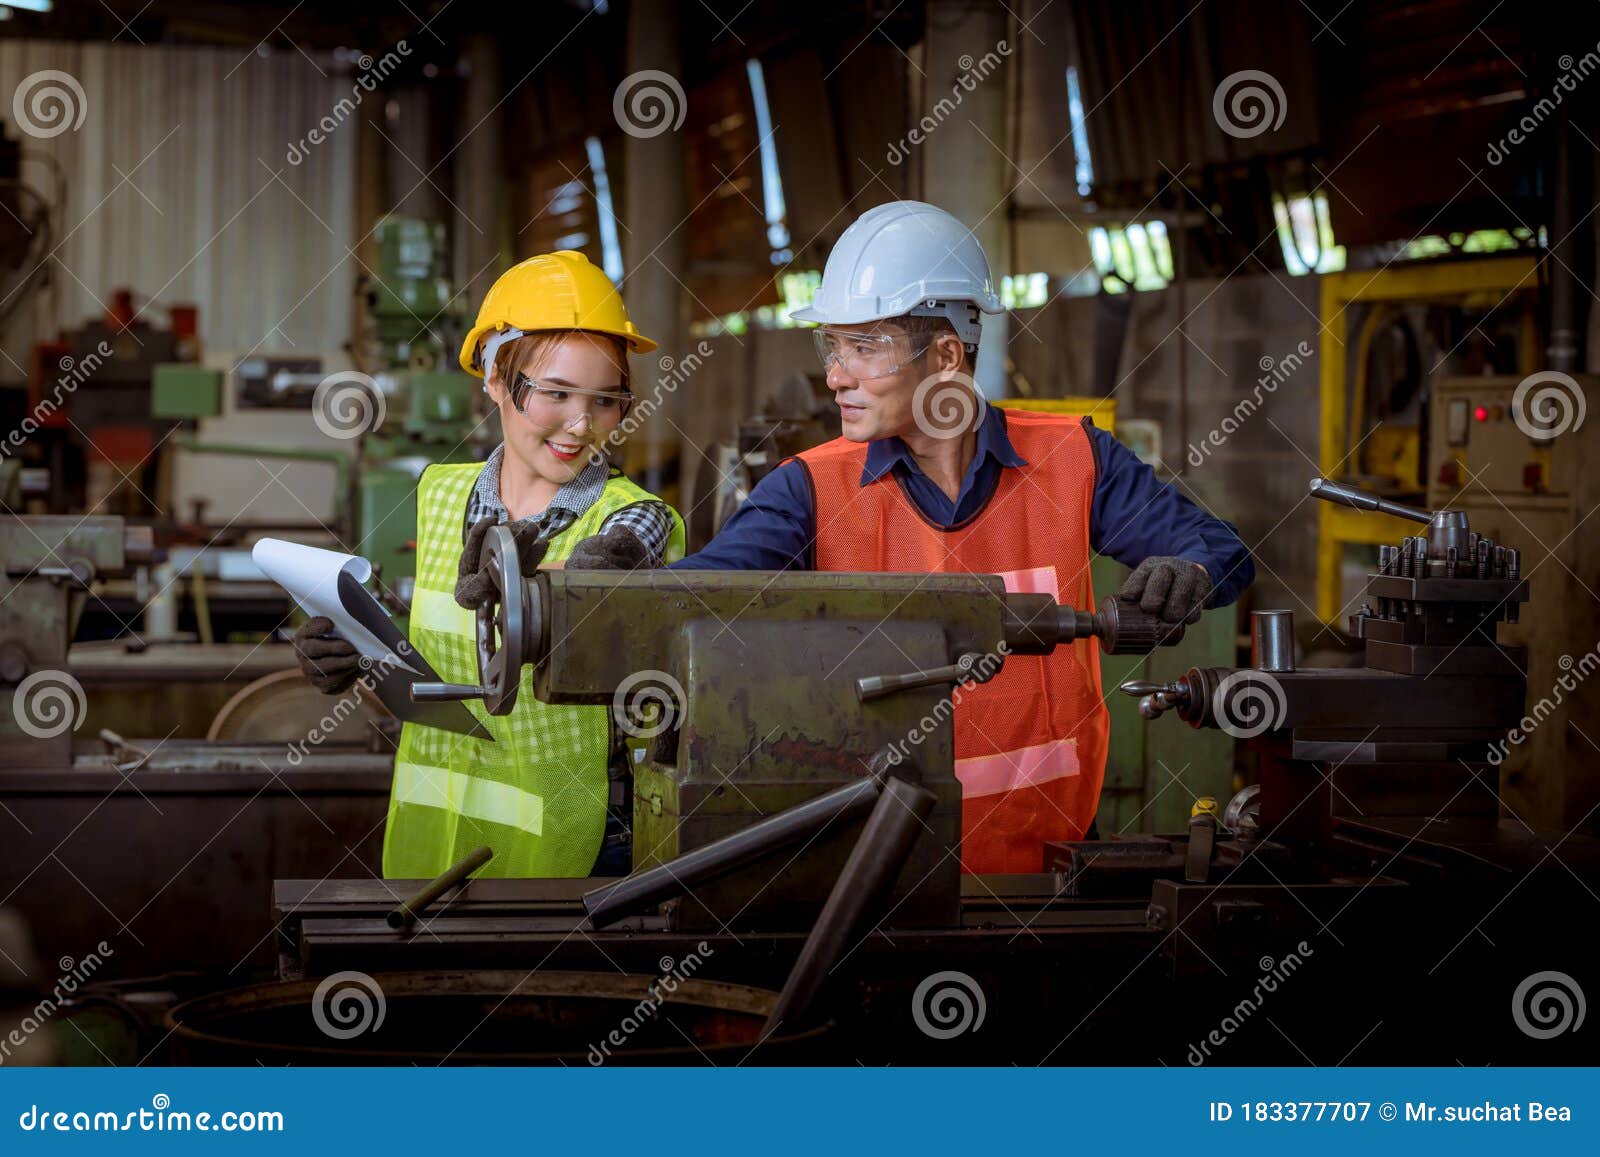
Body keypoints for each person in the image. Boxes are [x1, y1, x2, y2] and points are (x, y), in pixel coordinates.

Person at [568, 202, 1253, 874]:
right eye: (833, 345)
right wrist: (623, 586)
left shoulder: (1075, 459)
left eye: (864, 347)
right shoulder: (808, 490)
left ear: (948, 353)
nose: (836, 374)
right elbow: (702, 600)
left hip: (1050, 871)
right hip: (873, 883)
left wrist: (1186, 572)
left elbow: (1223, 553)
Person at [292, 250, 685, 878]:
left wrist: (567, 589)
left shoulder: (633, 520)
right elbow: (427, 657)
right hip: (437, 840)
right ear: (497, 381)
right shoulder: (440, 493)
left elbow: (609, 578)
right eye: (556, 393)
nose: (582, 425)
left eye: (606, 401)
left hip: (574, 849)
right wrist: (356, 651)